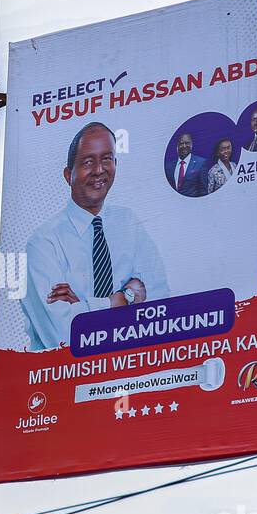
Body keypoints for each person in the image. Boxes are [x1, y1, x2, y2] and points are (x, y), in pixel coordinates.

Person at [22, 121, 170, 351]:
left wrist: (83, 307)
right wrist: (123, 299)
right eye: (88, 162)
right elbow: (63, 335)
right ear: (68, 174)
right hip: (62, 381)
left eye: (107, 159)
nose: (99, 170)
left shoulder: (129, 224)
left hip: (129, 373)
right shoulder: (44, 243)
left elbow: (161, 306)